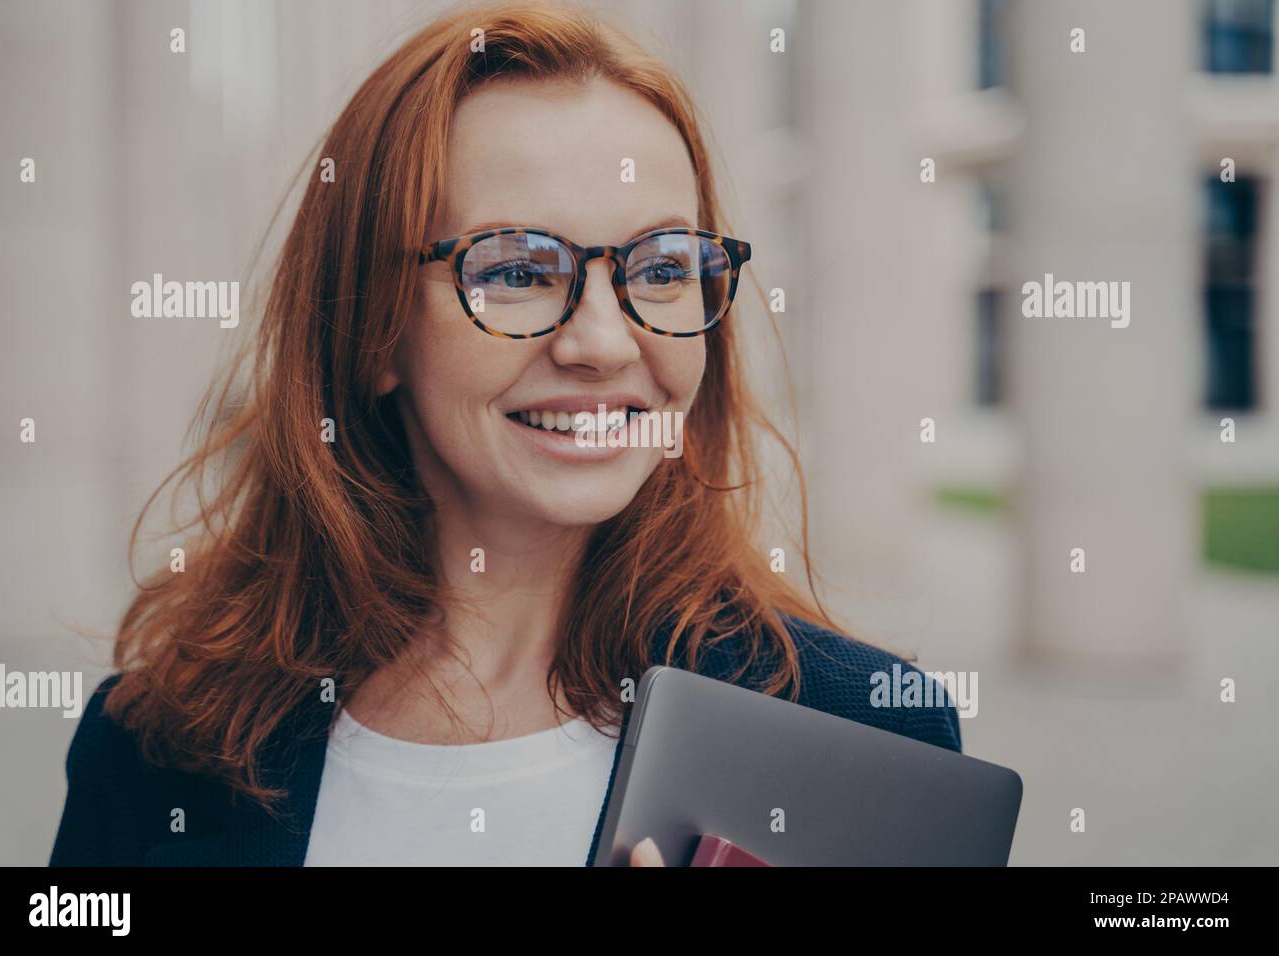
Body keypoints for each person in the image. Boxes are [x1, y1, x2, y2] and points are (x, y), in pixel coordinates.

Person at [49, 0, 960, 868]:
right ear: (372, 331)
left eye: (661, 267)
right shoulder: (154, 746)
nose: (604, 343)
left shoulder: (864, 735)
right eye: (519, 269)